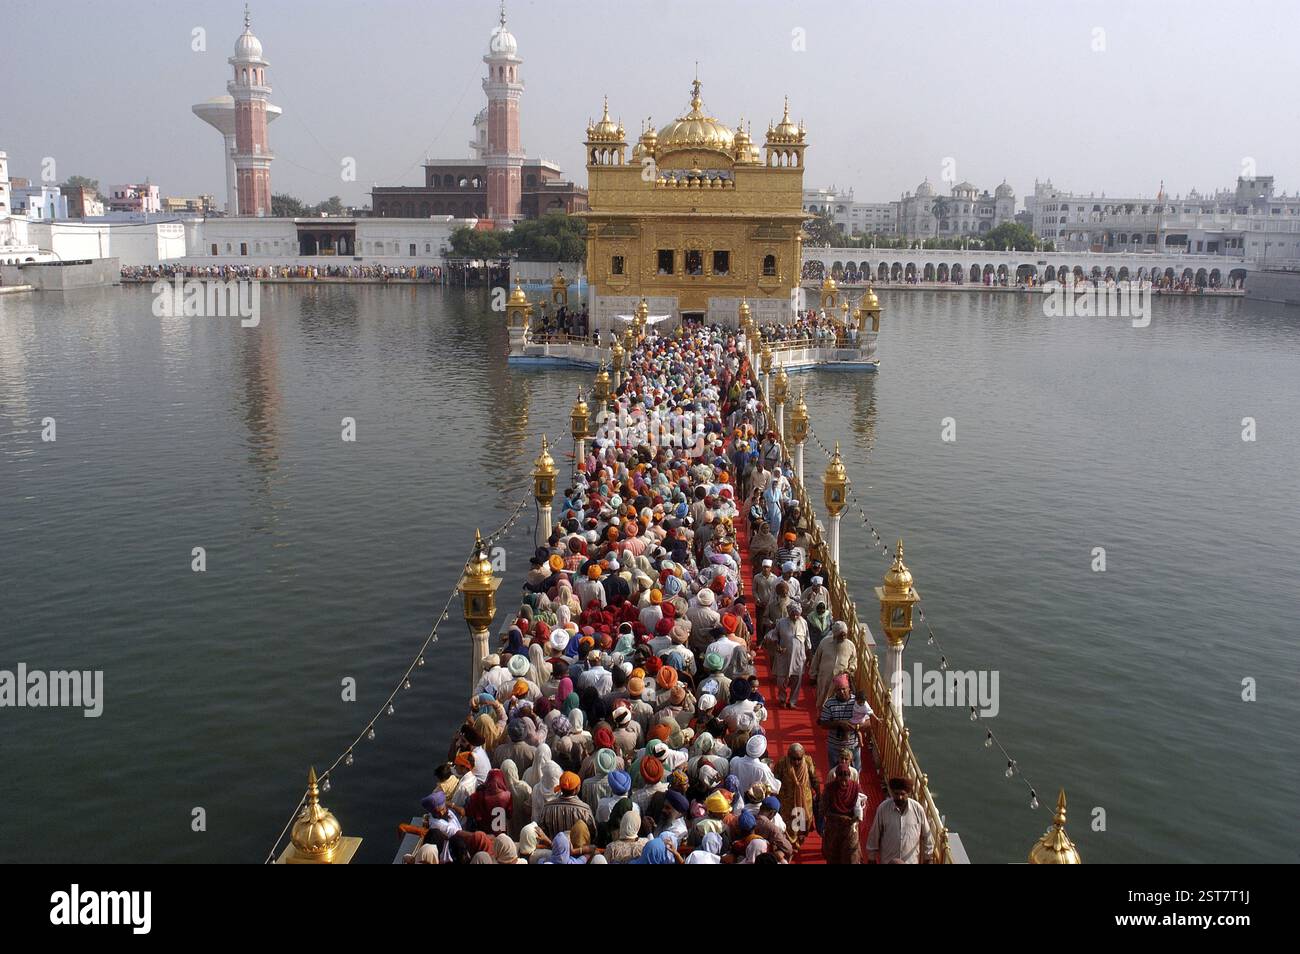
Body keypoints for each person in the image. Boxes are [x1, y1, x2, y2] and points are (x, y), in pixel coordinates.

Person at [865, 777, 934, 864]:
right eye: (896, 794)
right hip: (888, 861)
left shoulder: (918, 809)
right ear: (892, 793)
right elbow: (874, 834)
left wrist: (928, 857)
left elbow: (927, 836)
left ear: (908, 794)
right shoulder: (883, 808)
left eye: (902, 794)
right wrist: (872, 858)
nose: (899, 797)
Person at [772, 742, 820, 850]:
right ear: (789, 756)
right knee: (789, 824)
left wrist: (818, 793)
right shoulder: (782, 763)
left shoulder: (808, 762)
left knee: (802, 821)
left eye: (799, 758)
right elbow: (775, 781)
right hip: (787, 802)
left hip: (804, 800)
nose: (796, 762)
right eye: (793, 759)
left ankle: (799, 840)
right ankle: (790, 844)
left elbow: (814, 779)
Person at [822, 749, 862, 864]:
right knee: (834, 855)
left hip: (850, 827)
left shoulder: (855, 787)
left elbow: (862, 802)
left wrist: (857, 817)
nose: (843, 779)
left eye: (846, 776)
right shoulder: (830, 788)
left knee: (850, 856)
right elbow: (824, 807)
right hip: (834, 828)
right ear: (836, 776)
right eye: (840, 775)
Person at [818, 673, 861, 772]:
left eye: (843, 689)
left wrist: (853, 726)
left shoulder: (857, 702)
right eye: (838, 690)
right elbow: (823, 723)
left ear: (849, 688)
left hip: (853, 746)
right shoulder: (829, 704)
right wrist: (839, 723)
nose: (841, 692)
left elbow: (868, 723)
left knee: (855, 773)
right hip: (835, 747)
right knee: (835, 772)